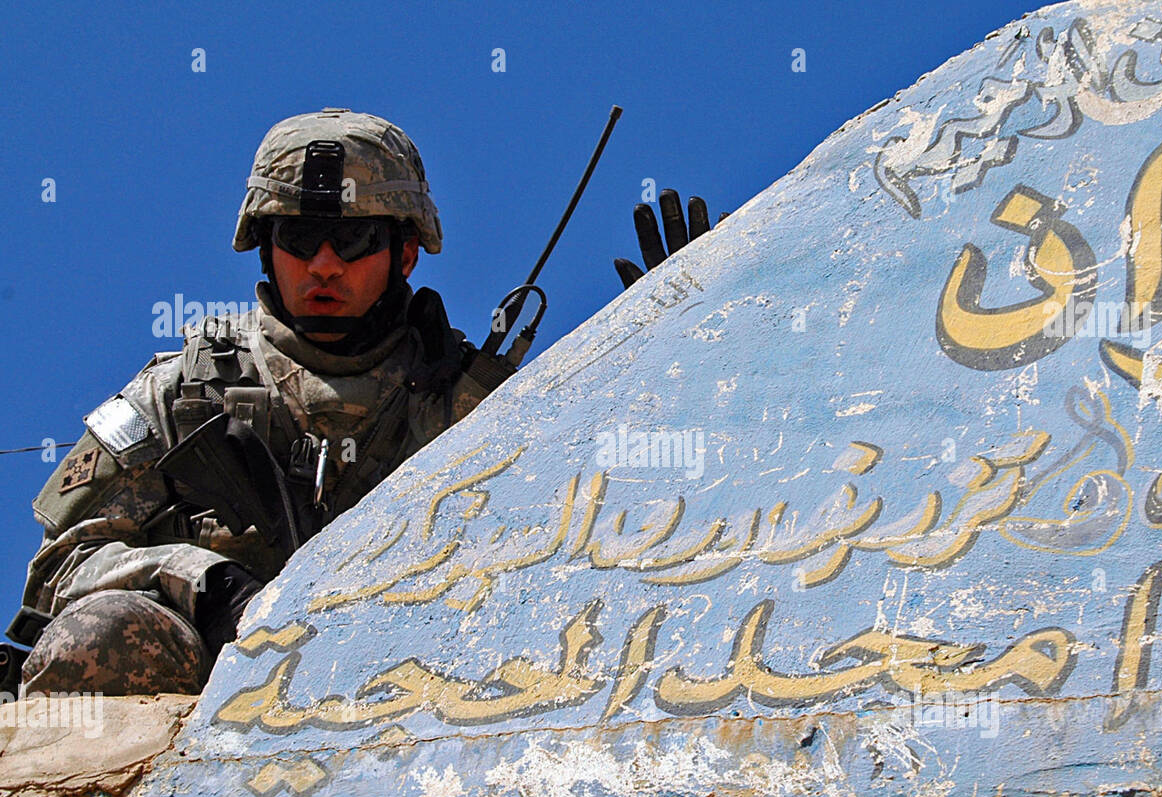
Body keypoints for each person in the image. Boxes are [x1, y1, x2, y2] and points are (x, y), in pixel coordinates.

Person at [5, 107, 722, 698]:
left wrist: (672, 366)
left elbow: (615, 521)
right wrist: (203, 583)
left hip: (426, 694)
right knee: (101, 639)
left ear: (404, 254)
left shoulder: (483, 407)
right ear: (265, 247)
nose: (323, 265)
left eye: (350, 240)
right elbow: (62, 574)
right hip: (202, 716)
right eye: (300, 237)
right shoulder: (187, 394)